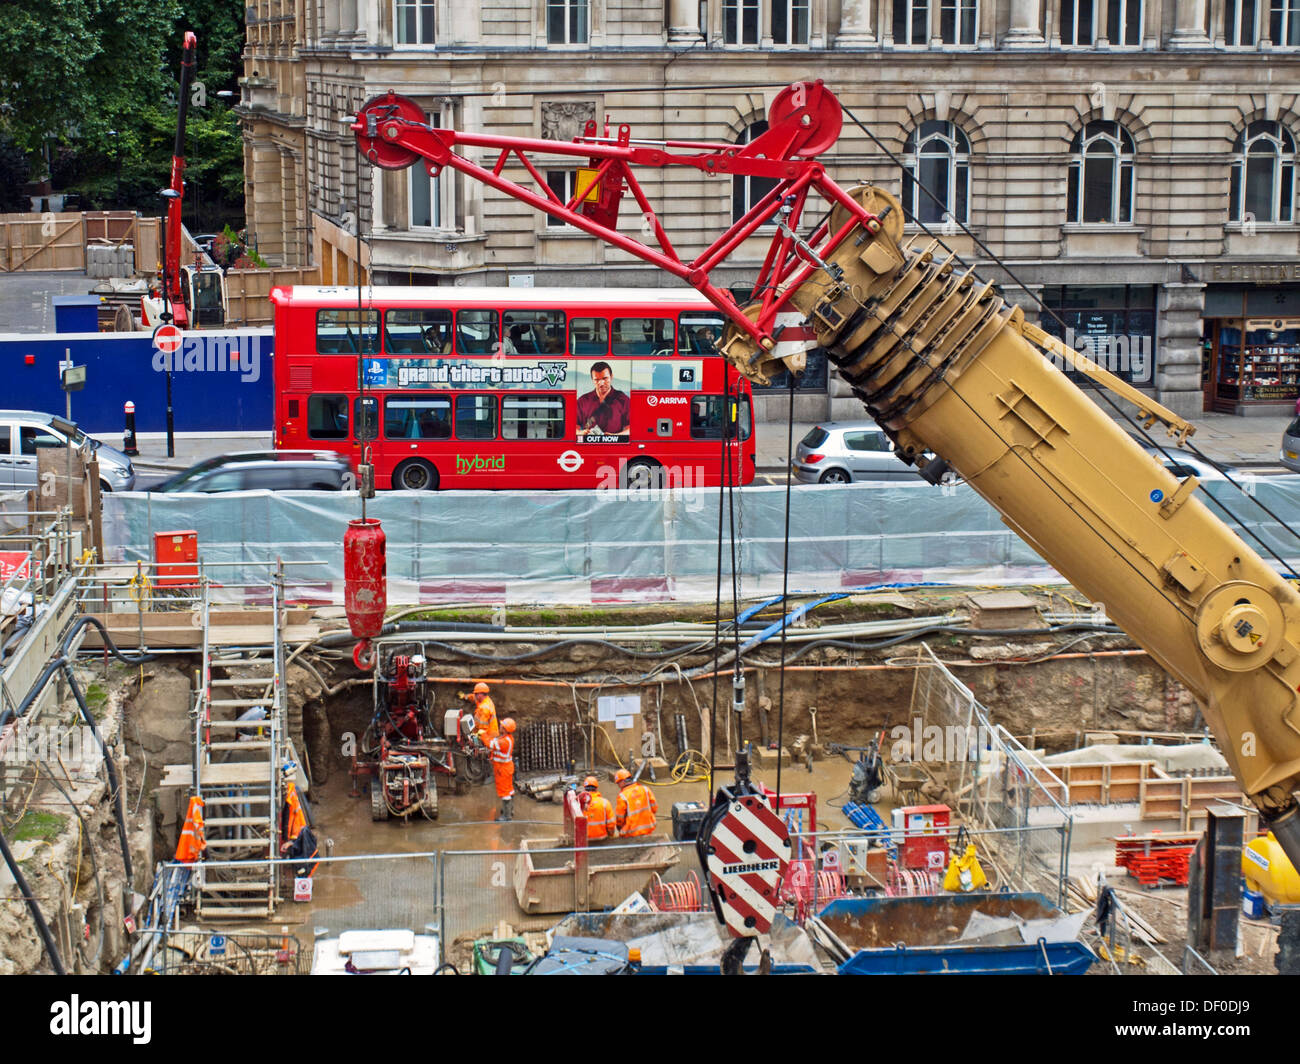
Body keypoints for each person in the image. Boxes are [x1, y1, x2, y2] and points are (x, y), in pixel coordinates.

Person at [279, 762, 319, 878]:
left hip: (296, 835)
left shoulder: (291, 795)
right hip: (298, 834)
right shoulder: (294, 792)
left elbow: (287, 819)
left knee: (295, 864)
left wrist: (287, 840)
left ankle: (297, 881)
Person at [575, 361, 630, 440]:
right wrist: (581, 433)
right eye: (596, 380)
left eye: (605, 378)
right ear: (592, 380)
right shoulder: (582, 401)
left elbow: (632, 428)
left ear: (611, 377)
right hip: (588, 448)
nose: (601, 383)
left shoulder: (624, 400)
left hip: (616, 448)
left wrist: (616, 436)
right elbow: (572, 428)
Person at [614, 768, 658, 838]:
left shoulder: (622, 796)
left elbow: (620, 819)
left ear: (622, 782)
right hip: (648, 827)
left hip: (631, 832)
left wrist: (620, 828)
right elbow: (654, 808)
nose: (618, 785)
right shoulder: (645, 789)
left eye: (618, 783)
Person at [489, 718, 517, 821]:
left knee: (504, 792)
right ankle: (509, 810)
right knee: (509, 790)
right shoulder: (508, 738)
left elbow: (491, 744)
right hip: (507, 767)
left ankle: (506, 816)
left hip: (503, 769)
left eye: (502, 726)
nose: (500, 726)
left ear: (505, 729)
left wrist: (483, 735)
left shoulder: (504, 742)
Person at [583, 776, 616, 842]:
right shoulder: (605, 802)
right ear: (596, 788)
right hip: (602, 839)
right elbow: (611, 824)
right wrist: (611, 836)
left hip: (585, 841)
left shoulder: (580, 803)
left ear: (584, 789)